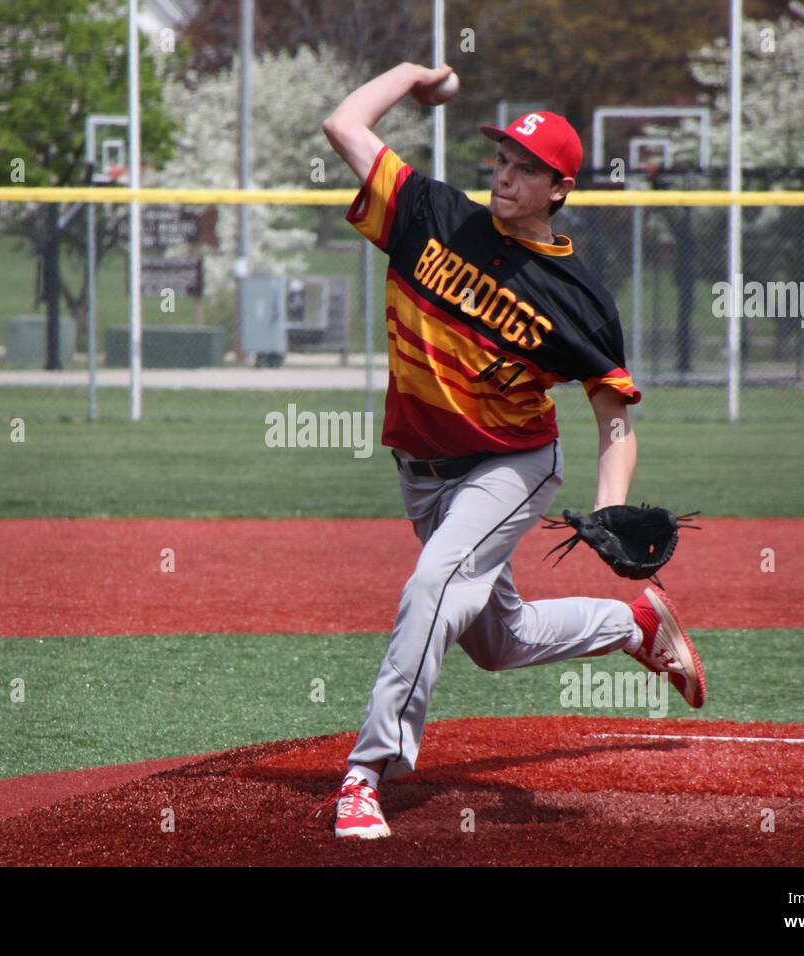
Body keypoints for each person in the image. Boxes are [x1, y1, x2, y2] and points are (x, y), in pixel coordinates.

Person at [315, 63, 706, 839]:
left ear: (559, 188)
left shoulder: (578, 299)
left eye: (527, 168)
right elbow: (343, 127)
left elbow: (614, 417)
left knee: (431, 587)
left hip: (512, 467)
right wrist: (412, 75)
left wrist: (608, 510)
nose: (506, 175)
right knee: (497, 641)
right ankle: (634, 626)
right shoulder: (432, 214)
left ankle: (366, 774)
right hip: (423, 472)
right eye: (502, 159)